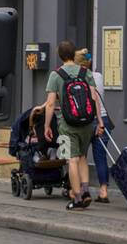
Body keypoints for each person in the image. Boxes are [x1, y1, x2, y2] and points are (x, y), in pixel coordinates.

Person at [43, 41, 106, 210]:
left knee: (72, 160)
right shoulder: (85, 72)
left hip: (66, 123)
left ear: (61, 56)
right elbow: (94, 99)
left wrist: (46, 126)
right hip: (86, 123)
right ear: (73, 54)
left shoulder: (56, 75)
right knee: (83, 157)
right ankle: (86, 192)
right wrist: (99, 121)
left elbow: (50, 104)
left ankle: (77, 198)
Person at [75, 48, 113, 203]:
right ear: (89, 62)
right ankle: (103, 190)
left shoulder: (77, 79)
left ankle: (80, 190)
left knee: (80, 156)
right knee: (101, 157)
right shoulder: (98, 76)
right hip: (103, 119)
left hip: (86, 121)